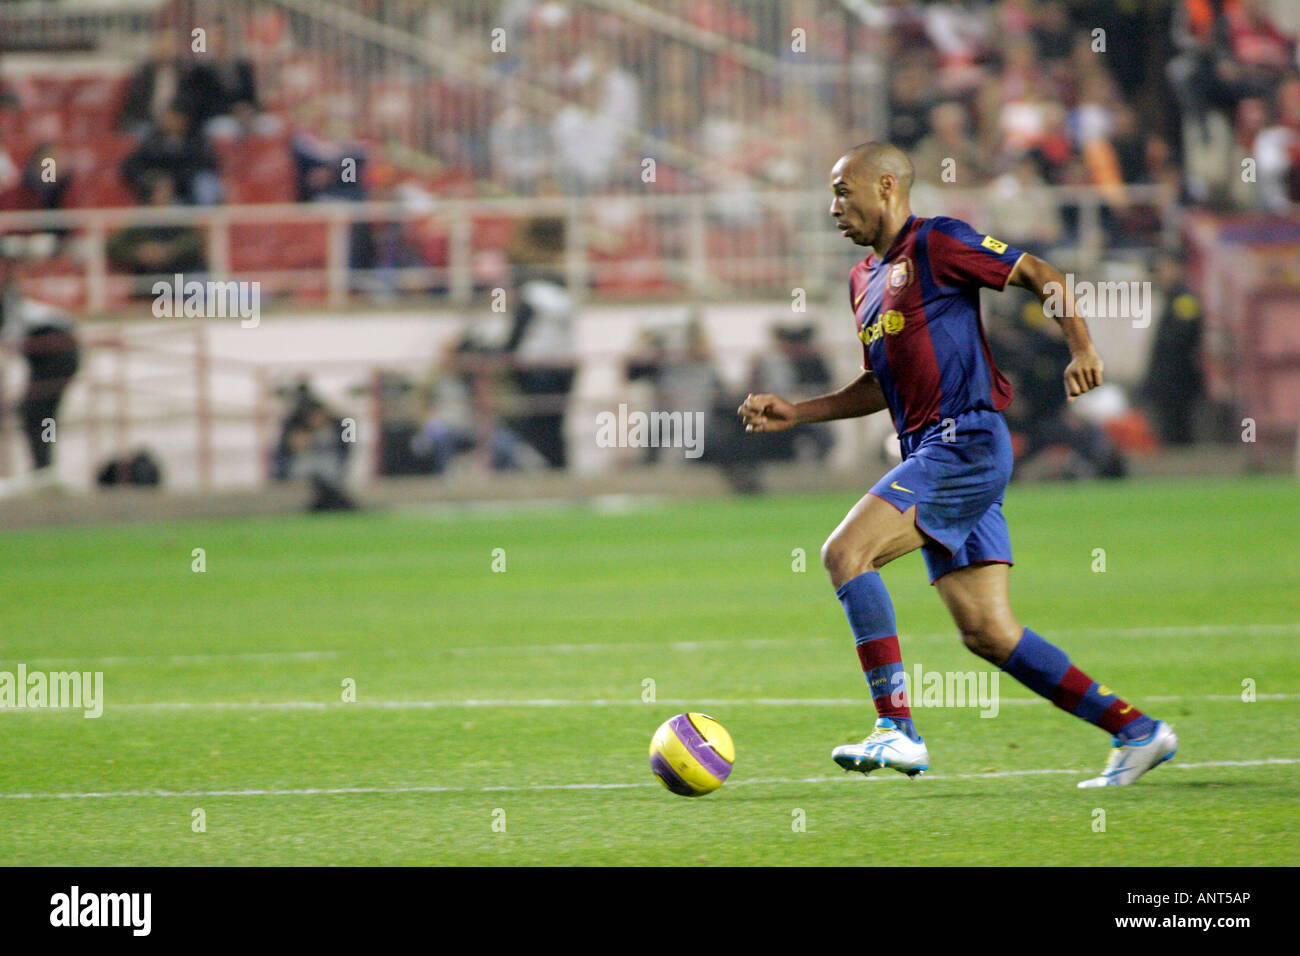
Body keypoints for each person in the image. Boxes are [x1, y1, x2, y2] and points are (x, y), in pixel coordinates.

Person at [738, 142, 1176, 788]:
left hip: (964, 442)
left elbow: (1041, 274)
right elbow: (880, 383)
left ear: (886, 186)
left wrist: (1082, 347)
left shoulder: (937, 242)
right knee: (989, 633)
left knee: (844, 553)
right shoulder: (862, 279)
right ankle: (1137, 731)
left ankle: (897, 729)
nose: (833, 208)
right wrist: (798, 413)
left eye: (842, 191)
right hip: (932, 453)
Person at [0, 236, 80, 494]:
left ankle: (44, 469)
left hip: (56, 352)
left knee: (37, 412)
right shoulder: (12, 292)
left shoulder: (10, 296)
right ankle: (44, 468)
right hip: (50, 354)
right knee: (41, 414)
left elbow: (11, 332)